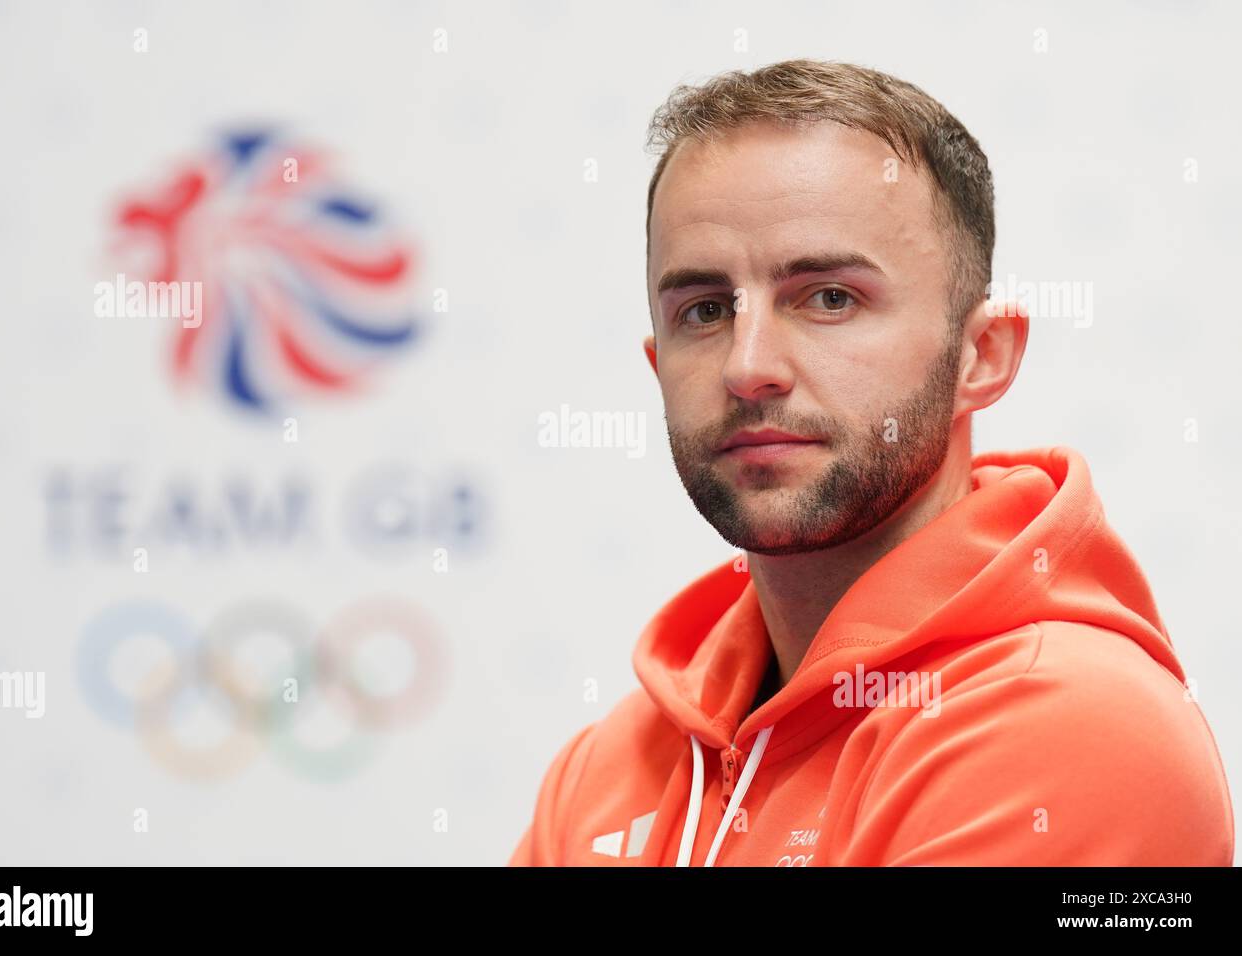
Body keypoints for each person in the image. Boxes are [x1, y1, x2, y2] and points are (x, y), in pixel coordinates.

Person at [508, 59, 1233, 866]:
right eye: (705, 310)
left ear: (981, 355)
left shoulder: (1072, 724)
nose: (747, 367)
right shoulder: (609, 767)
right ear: (657, 364)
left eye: (828, 298)